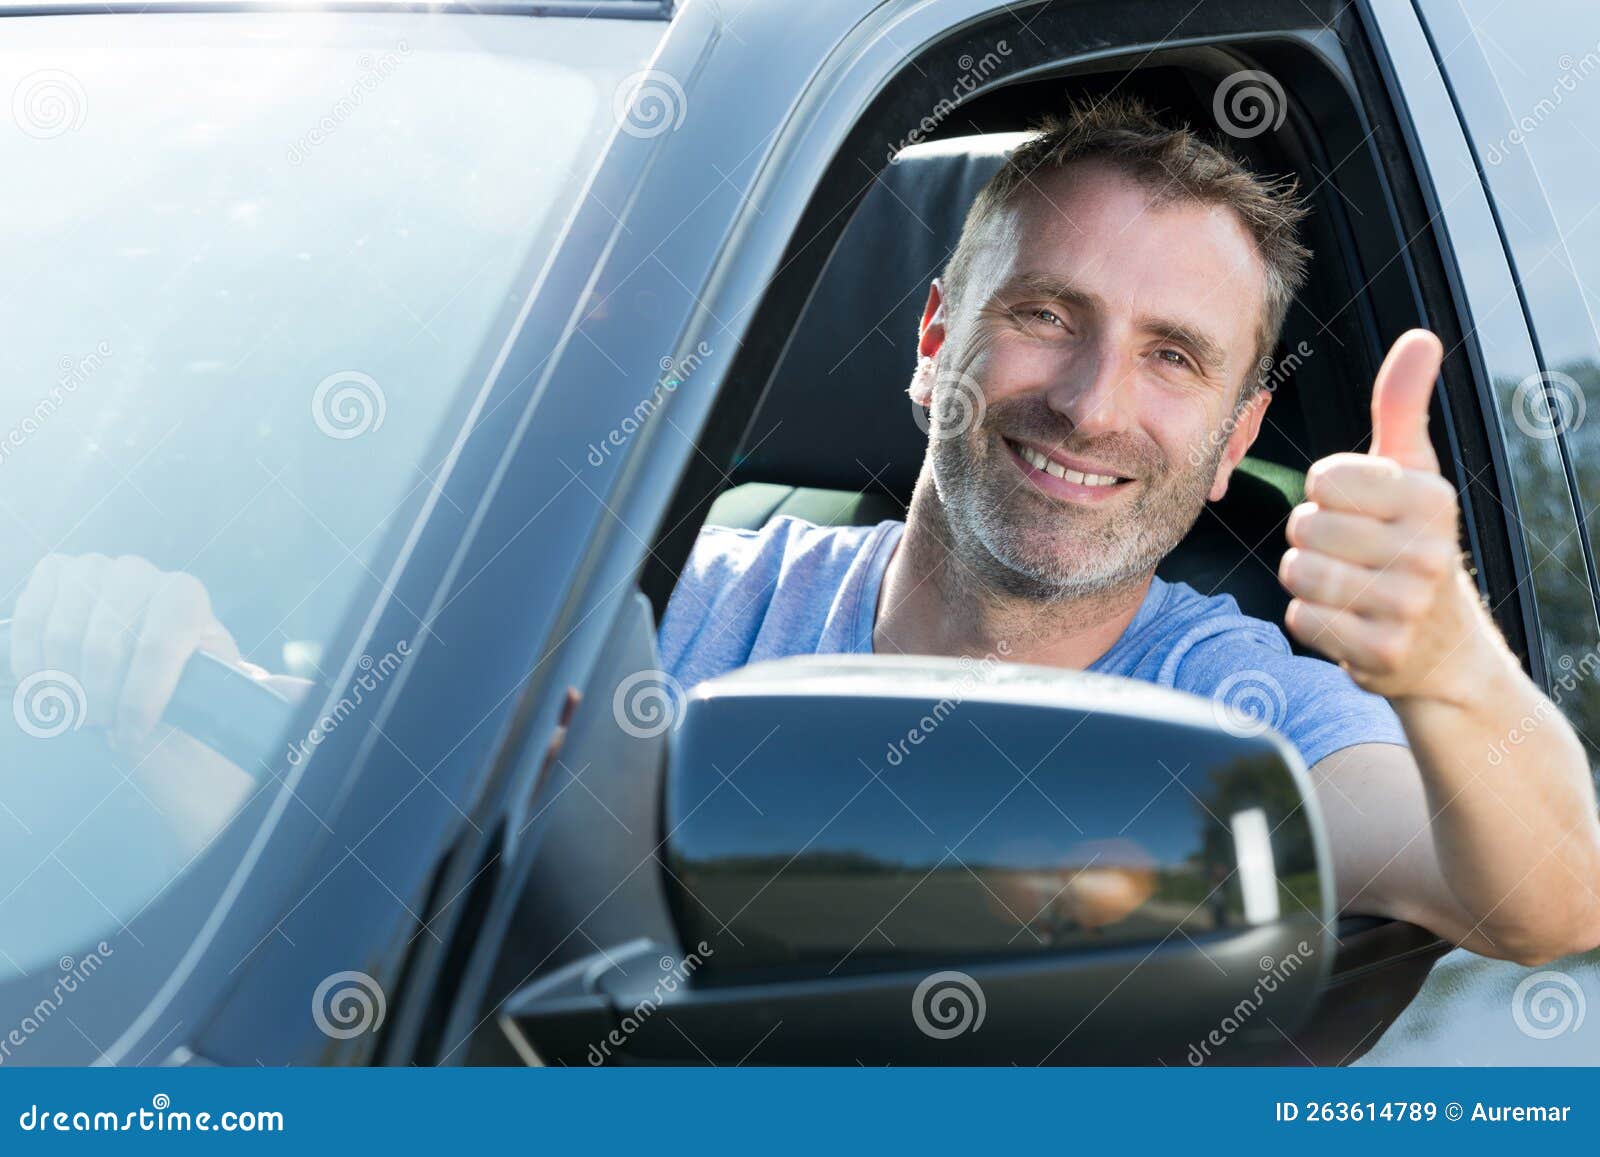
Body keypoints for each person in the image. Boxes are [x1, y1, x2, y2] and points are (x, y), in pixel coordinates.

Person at [13, 98, 1600, 966]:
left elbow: (1546, 903)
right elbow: (385, 864)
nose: (1095, 401)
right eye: (1046, 315)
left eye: (1177, 357)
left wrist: (1452, 667)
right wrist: (159, 678)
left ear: (1241, 437)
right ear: (933, 341)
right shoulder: (694, 597)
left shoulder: (1247, 706)